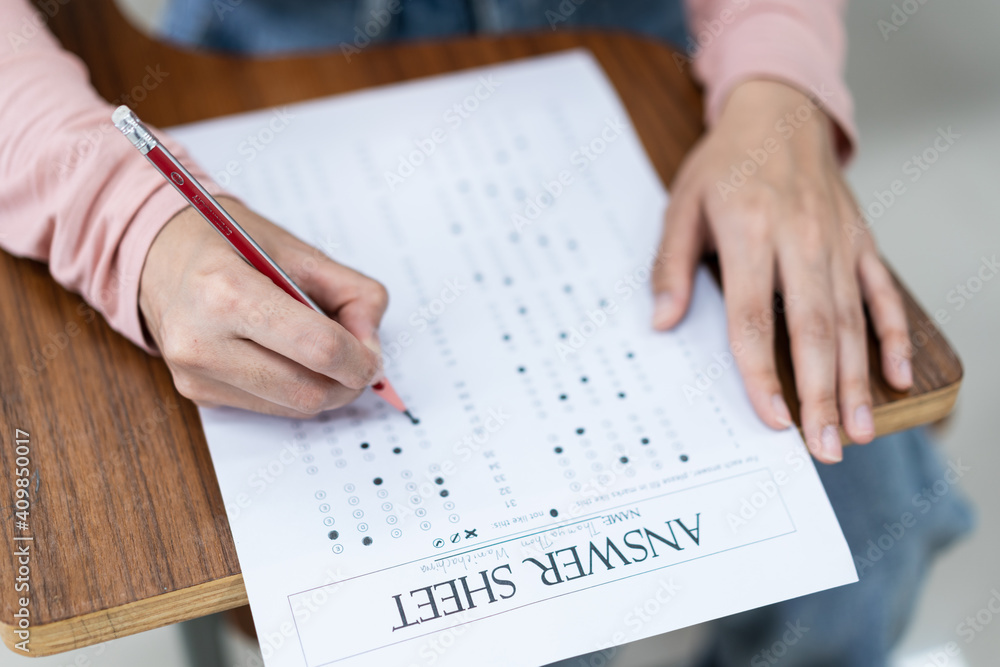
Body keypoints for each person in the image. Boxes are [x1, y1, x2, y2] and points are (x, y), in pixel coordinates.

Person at [0, 1, 972, 664]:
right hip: (243, 86)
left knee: (865, 536)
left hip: (646, 80)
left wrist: (777, 79)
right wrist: (123, 221)